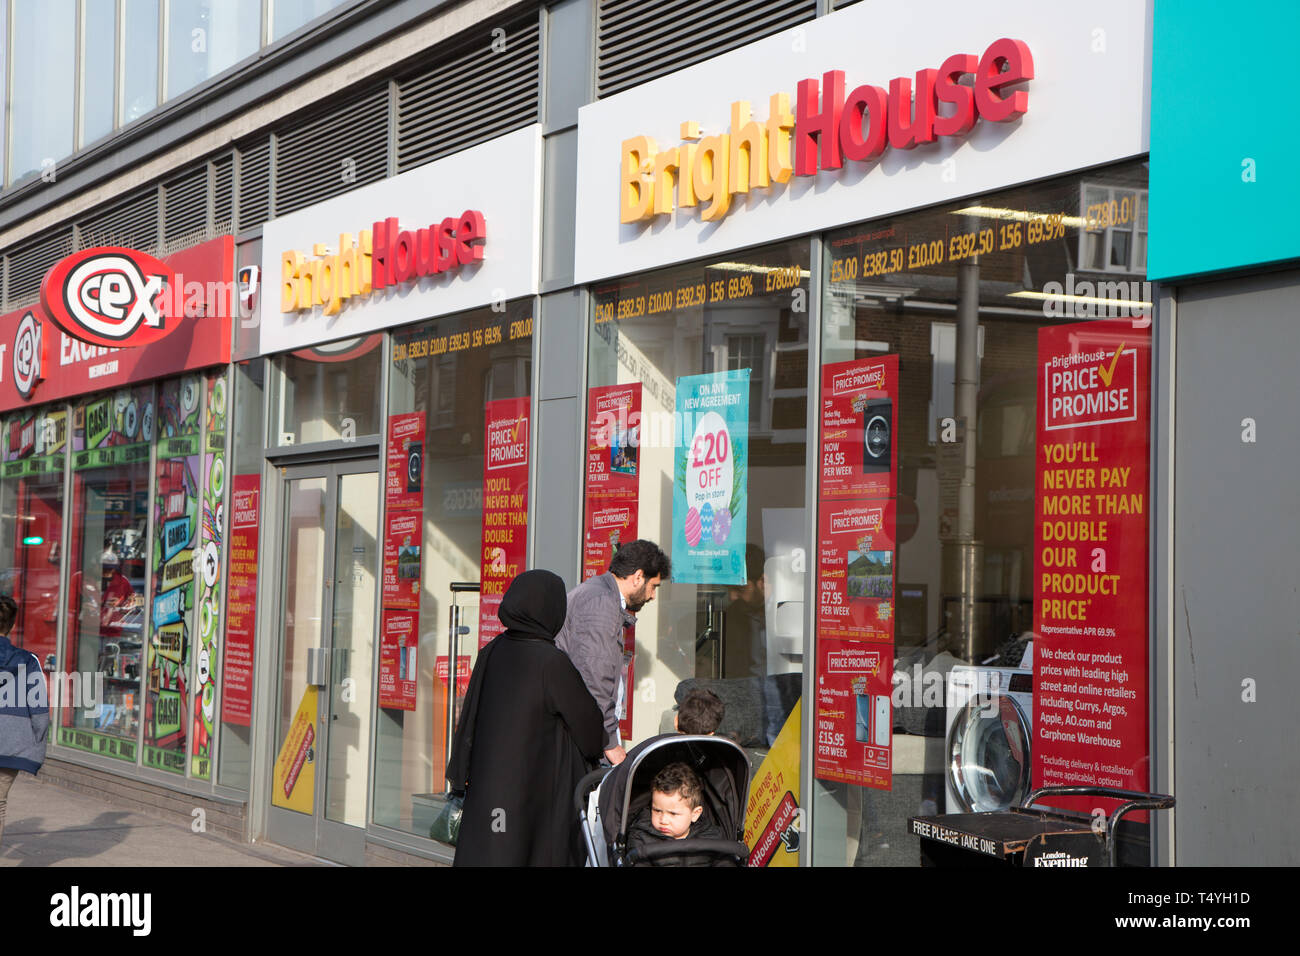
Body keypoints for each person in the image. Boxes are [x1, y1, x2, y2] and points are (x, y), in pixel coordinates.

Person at [447, 569, 604, 866]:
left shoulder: (492, 651)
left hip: (491, 791)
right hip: (535, 794)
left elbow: (470, 717)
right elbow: (591, 733)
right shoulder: (551, 663)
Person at [556, 540, 671, 766]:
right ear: (638, 576)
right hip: (586, 737)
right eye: (654, 586)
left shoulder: (599, 593)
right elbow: (593, 678)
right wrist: (609, 742)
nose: (652, 596)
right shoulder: (601, 603)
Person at [0, 594, 48, 847]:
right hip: (11, 746)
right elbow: (38, 709)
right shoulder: (28, 661)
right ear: (12, 625)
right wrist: (36, 742)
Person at [625, 762, 723, 866]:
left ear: (695, 814)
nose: (663, 820)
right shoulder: (641, 838)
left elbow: (724, 862)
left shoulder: (710, 837)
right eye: (657, 810)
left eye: (673, 813)